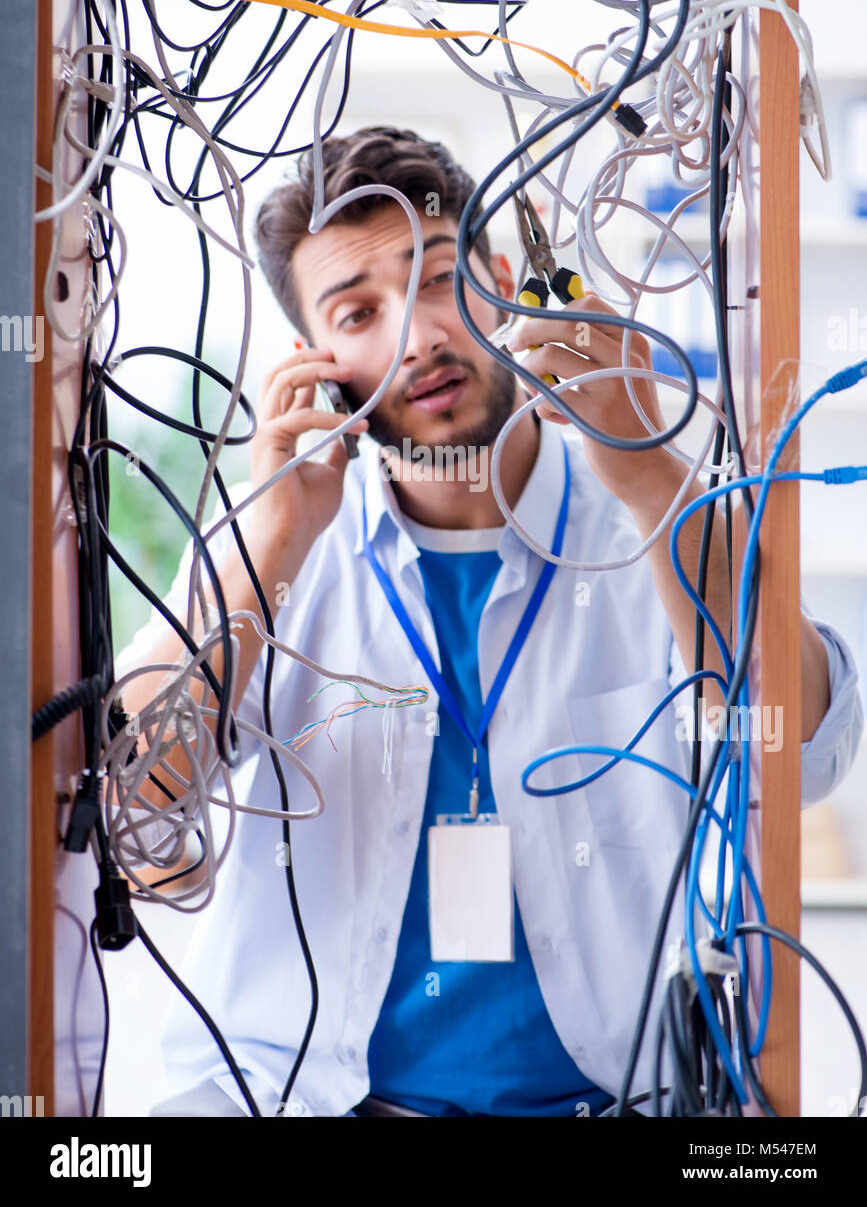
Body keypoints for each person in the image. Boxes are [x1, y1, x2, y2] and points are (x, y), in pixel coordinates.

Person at [117, 126, 862, 1118]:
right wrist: (276, 536)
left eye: (436, 280)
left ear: (505, 281)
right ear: (318, 362)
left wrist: (650, 476)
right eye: (359, 312)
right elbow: (133, 813)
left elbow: (805, 757)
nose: (418, 336)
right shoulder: (278, 549)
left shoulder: (649, 522)